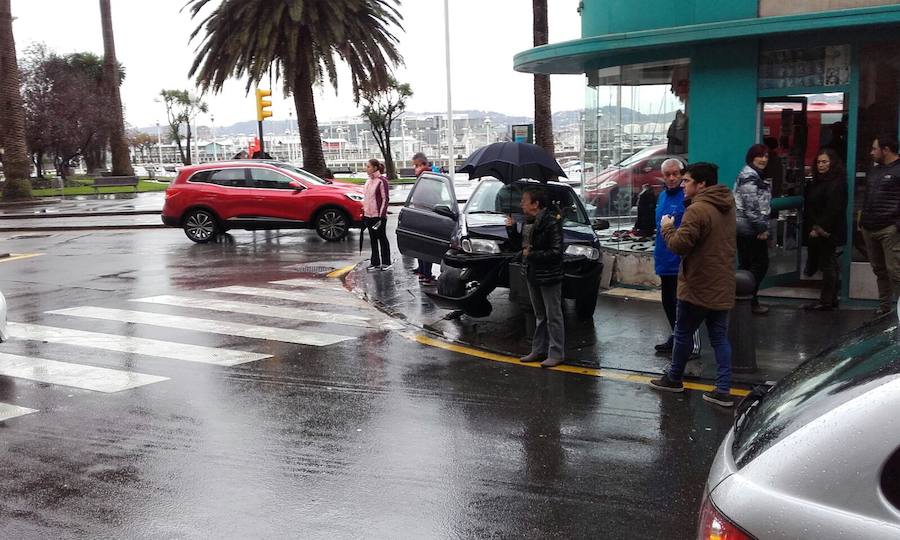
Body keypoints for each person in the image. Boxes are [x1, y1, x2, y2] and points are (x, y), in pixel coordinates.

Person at [649, 162, 737, 407]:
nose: (683, 184)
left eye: (687, 180)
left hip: (698, 283)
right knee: (719, 337)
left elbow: (679, 245)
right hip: (722, 282)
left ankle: (674, 378)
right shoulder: (727, 206)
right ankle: (722, 389)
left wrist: (667, 228)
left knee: (683, 332)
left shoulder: (698, 210)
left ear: (702, 184)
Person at [506, 187, 565, 368]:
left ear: (535, 204)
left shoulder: (551, 222)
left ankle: (556, 353)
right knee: (539, 314)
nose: (521, 204)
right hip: (531, 273)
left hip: (549, 275)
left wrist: (531, 254)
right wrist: (511, 230)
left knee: (553, 314)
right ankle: (539, 349)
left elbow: (556, 252)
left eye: (525, 201)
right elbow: (521, 247)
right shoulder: (527, 222)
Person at [653, 158, 700, 359]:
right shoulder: (662, 196)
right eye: (667, 174)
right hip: (664, 259)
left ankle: (691, 344)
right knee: (668, 303)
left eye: (675, 174)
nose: (672, 178)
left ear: (682, 175)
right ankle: (676, 336)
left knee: (685, 306)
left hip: (681, 260)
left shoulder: (688, 197)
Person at [802, 148, 847, 311]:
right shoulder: (817, 181)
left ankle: (827, 301)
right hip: (820, 227)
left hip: (828, 231)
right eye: (819, 162)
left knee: (828, 264)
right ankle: (830, 298)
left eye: (825, 162)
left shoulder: (836, 182)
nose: (821, 165)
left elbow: (833, 209)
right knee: (830, 264)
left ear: (832, 163)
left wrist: (819, 228)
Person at [860, 135, 900, 316]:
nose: (871, 152)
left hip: (889, 228)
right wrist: (862, 221)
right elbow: (867, 197)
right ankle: (884, 307)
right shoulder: (874, 171)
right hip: (869, 227)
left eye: (874, 148)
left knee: (895, 271)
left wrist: (897, 225)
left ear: (886, 150)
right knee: (879, 270)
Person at [735, 144, 773, 315]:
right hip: (749, 229)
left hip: (745, 228)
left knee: (747, 264)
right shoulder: (750, 177)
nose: (764, 159)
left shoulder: (752, 175)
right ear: (751, 157)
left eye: (766, 156)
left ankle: (747, 299)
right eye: (760, 155)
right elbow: (751, 207)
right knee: (760, 264)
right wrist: (762, 228)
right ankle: (747, 297)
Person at [411, 152, 436, 284]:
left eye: (416, 165)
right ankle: (422, 270)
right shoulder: (422, 177)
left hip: (426, 215)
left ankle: (426, 273)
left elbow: (431, 197)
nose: (415, 168)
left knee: (426, 246)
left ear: (423, 164)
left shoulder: (428, 177)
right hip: (421, 214)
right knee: (421, 245)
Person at [363, 158, 391, 271]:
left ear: (375, 168)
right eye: (367, 166)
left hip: (378, 216)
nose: (366, 168)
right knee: (373, 239)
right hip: (368, 215)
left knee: (382, 238)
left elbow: (385, 198)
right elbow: (366, 198)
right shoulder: (368, 181)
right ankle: (375, 262)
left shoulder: (381, 181)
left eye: (368, 166)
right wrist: (364, 212)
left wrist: (381, 215)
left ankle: (386, 262)